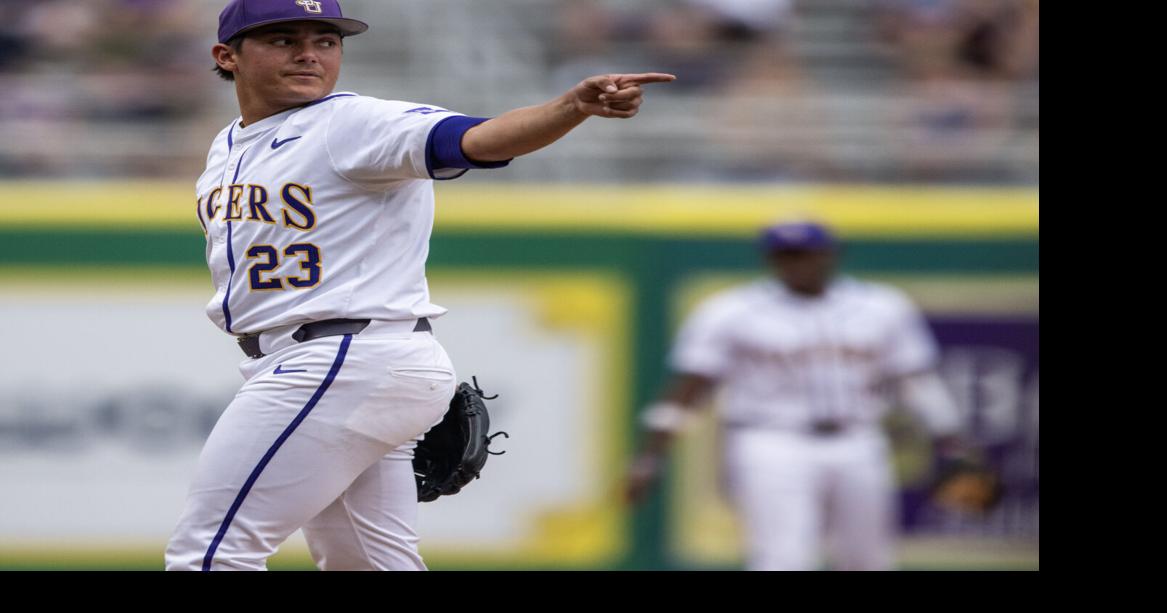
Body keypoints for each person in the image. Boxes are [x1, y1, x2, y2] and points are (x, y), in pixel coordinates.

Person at [164, 0, 674, 571]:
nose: (310, 53)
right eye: (284, 39)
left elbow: (476, 139)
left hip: (342, 357)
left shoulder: (351, 123)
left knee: (209, 553)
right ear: (225, 56)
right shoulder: (226, 145)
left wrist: (569, 108)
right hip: (345, 360)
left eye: (326, 41)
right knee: (367, 563)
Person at [624, 221, 965, 571]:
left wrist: (953, 444)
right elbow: (689, 389)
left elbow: (917, 380)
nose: (795, 263)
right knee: (783, 559)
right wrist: (649, 458)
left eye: (805, 254)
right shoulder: (730, 311)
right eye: (784, 255)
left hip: (858, 439)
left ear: (832, 254)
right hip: (772, 442)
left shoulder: (882, 307)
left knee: (868, 559)